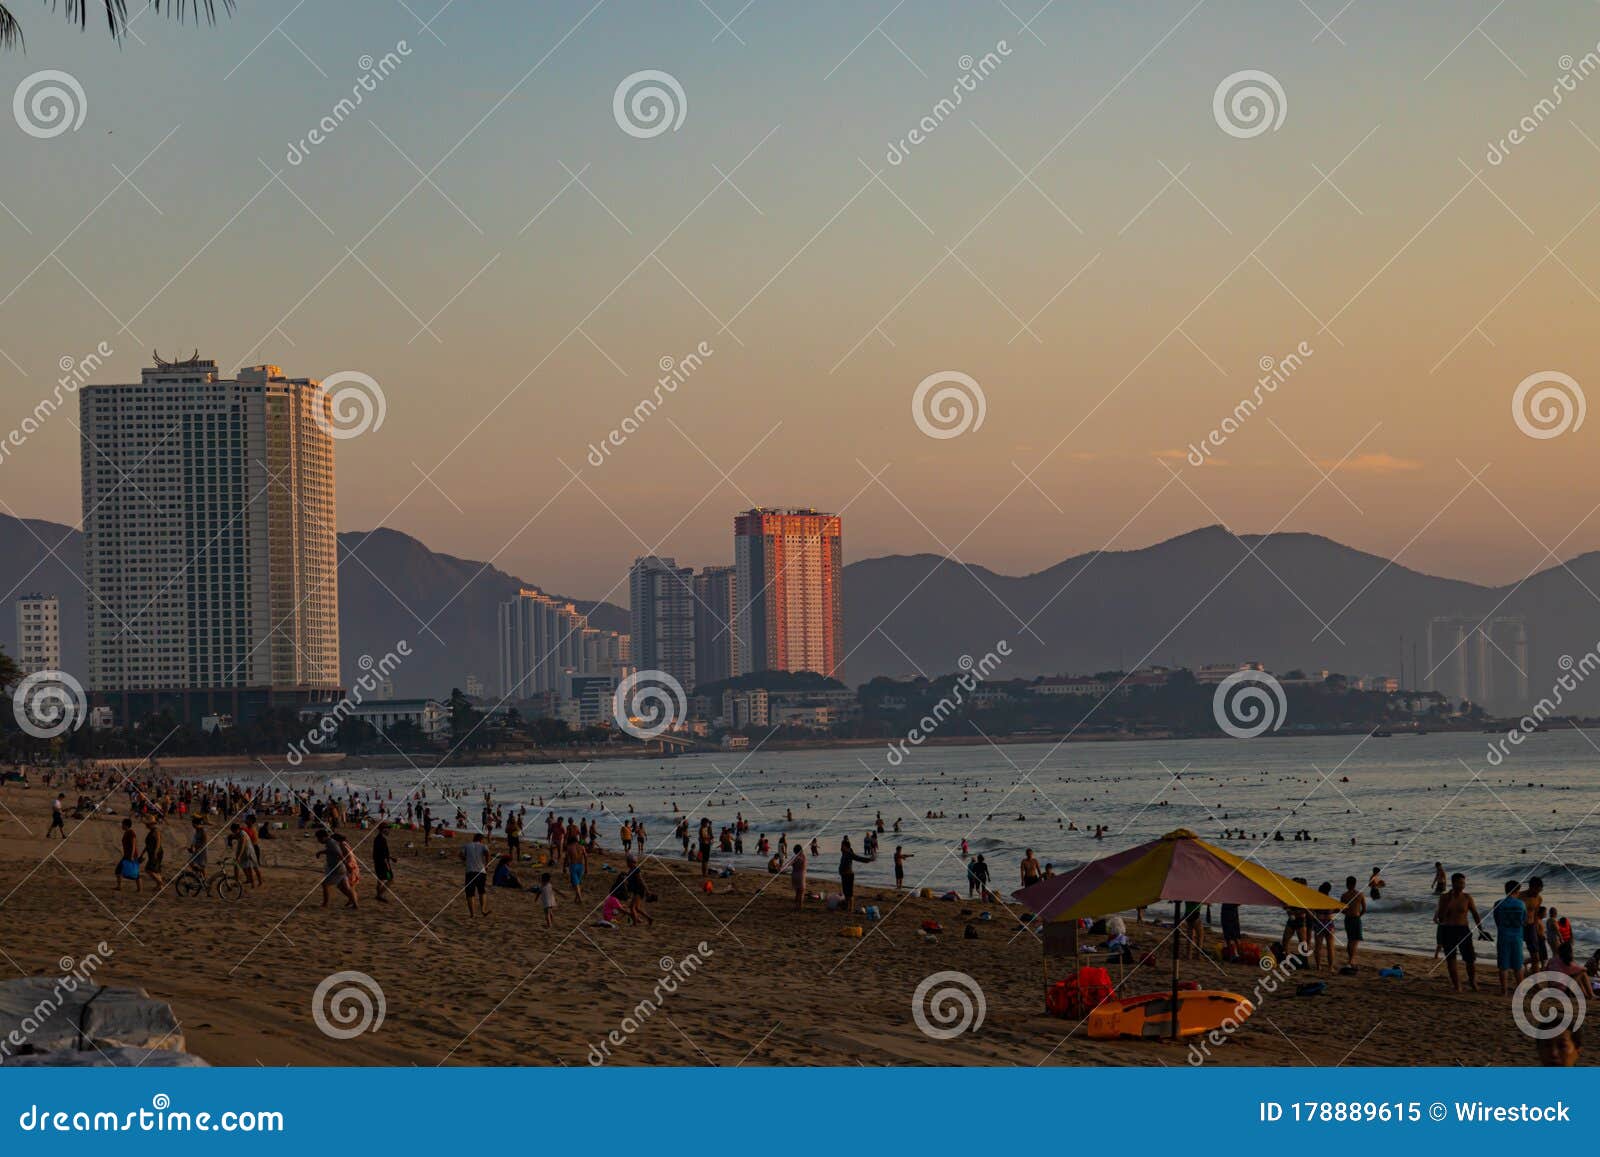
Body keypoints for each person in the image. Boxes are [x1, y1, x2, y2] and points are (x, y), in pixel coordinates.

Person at [1435, 872, 1489, 992]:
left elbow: (1475, 914)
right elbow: (1441, 918)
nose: (1462, 885)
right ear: (1453, 883)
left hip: (1463, 930)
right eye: (1460, 883)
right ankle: (1457, 985)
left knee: (1470, 959)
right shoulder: (1444, 897)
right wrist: (1448, 902)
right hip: (1448, 930)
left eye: (1463, 883)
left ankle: (1472, 981)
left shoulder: (1467, 897)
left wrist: (1481, 930)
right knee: (1451, 958)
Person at [1492, 879, 1528, 994]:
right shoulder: (1521, 904)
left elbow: (1497, 921)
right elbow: (1524, 921)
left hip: (1503, 936)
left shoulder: (1498, 903)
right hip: (1517, 937)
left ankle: (1504, 990)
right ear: (1517, 891)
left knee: (1503, 966)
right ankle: (1520, 990)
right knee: (1518, 965)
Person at [837, 835, 873, 915]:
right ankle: (847, 907)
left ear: (845, 846)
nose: (841, 847)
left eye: (842, 845)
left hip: (848, 875)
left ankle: (851, 908)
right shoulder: (844, 853)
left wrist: (869, 860)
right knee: (845, 892)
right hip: (844, 875)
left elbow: (858, 858)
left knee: (849, 893)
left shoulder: (849, 853)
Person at [1338, 876, 1366, 967]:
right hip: (1356, 918)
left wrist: (1347, 913)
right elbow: (1364, 909)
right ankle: (1351, 960)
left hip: (1348, 919)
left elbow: (1341, 909)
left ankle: (1350, 959)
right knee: (1355, 940)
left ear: (1347, 884)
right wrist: (1359, 916)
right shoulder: (1360, 894)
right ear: (1355, 884)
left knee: (1350, 940)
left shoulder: (1344, 895)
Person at [462, 832, 489, 916]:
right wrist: (487, 864)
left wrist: (466, 859)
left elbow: (460, 854)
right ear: (481, 839)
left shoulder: (467, 845)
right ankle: (483, 909)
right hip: (481, 871)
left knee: (470, 893)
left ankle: (472, 913)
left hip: (470, 871)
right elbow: (487, 853)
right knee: (481, 891)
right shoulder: (483, 846)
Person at [1313, 882, 1336, 970]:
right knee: (1330, 947)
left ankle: (1318, 966)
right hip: (1329, 923)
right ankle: (1331, 967)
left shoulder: (1316, 900)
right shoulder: (1331, 900)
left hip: (1319, 923)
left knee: (1318, 947)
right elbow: (1337, 909)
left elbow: (1312, 910)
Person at [115, 818, 141, 892]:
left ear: (126, 825)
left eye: (123, 824)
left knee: (134, 872)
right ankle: (119, 886)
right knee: (120, 870)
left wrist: (131, 856)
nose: (122, 826)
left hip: (131, 855)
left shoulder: (131, 833)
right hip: (127, 855)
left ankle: (139, 888)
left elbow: (133, 845)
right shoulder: (127, 832)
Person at [372, 824, 393, 903]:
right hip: (383, 864)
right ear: (383, 829)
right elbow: (383, 855)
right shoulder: (382, 840)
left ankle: (378, 894)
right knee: (390, 879)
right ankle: (380, 895)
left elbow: (379, 852)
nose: (389, 830)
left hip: (378, 863)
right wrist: (387, 865)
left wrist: (391, 857)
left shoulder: (377, 839)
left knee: (380, 879)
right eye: (387, 829)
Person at [141, 821, 166, 888]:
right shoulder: (151, 831)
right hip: (152, 852)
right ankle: (159, 886)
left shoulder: (156, 831)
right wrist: (143, 852)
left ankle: (160, 883)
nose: (146, 826)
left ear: (151, 824)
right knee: (156, 870)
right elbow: (148, 844)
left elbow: (158, 842)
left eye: (147, 824)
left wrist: (155, 852)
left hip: (156, 853)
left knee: (148, 869)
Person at [567, 836, 587, 902]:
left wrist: (566, 867)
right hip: (581, 866)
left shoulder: (569, 847)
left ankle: (580, 899)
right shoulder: (582, 847)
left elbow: (567, 859)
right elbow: (586, 857)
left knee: (575, 884)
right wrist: (586, 868)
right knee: (578, 883)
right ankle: (576, 898)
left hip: (573, 866)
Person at [790, 843, 808, 910]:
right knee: (801, 891)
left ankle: (796, 905)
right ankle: (800, 906)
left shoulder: (795, 857)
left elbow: (789, 863)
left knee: (797, 892)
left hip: (794, 875)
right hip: (800, 876)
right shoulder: (803, 857)